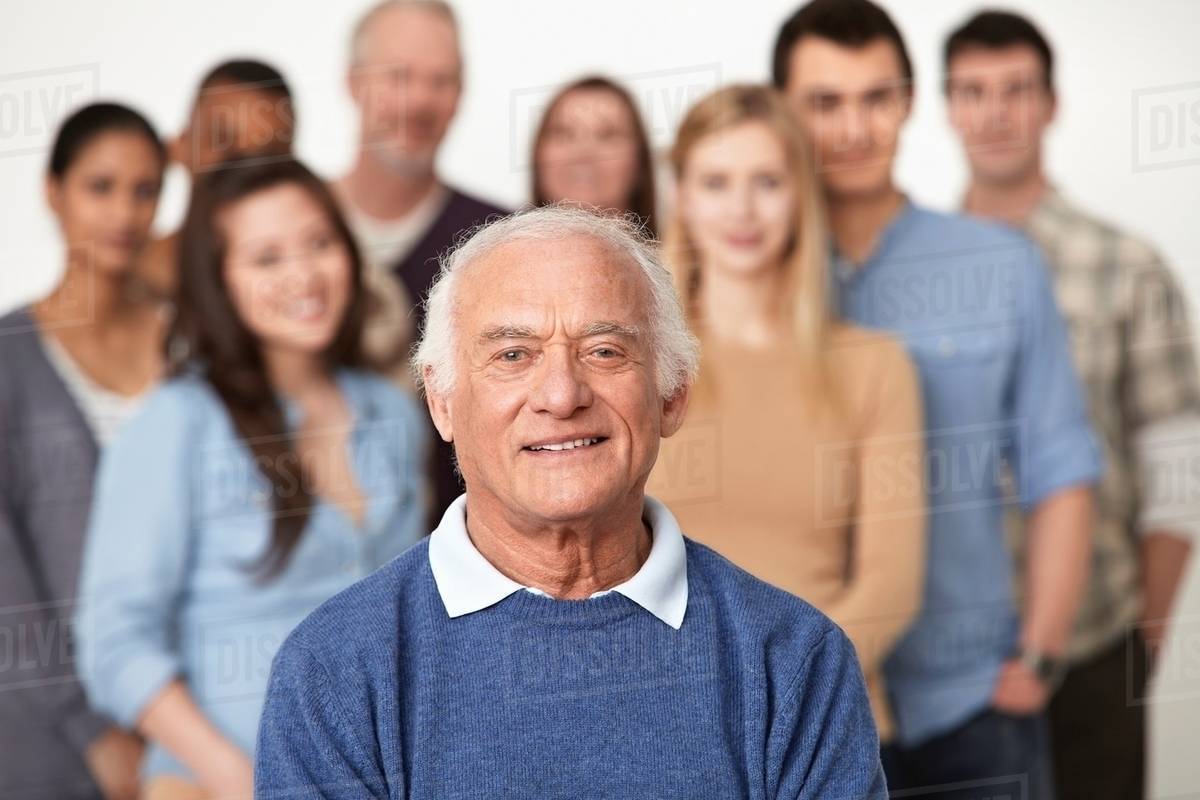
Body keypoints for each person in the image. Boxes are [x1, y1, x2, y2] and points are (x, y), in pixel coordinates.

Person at [254, 205, 888, 799]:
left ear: (671, 396)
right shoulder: (331, 671)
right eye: (513, 354)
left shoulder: (795, 661)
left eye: (604, 351)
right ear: (441, 401)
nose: (560, 394)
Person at [772, 1, 1103, 795]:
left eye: (876, 98)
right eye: (825, 102)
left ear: (911, 102)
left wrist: (1040, 653)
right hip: (801, 705)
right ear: (781, 108)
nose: (854, 127)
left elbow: (1060, 467)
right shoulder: (747, 277)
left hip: (973, 703)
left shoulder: (1000, 265)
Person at [75, 159, 428, 800]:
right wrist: (236, 776)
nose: (303, 275)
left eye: (319, 243)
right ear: (220, 282)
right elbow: (114, 642)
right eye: (266, 258)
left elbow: (409, 613)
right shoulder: (177, 422)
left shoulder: (391, 412)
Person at [944, 11, 1200, 799]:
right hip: (949, 664)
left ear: (1051, 105)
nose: (996, 113)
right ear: (947, 107)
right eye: (974, 92)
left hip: (1094, 649)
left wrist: (1140, 645)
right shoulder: (913, 271)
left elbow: (1176, 476)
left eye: (1016, 90)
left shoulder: (1126, 265)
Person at [651, 83, 925, 743]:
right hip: (662, 723)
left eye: (767, 181)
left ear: (802, 193)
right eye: (716, 182)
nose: (742, 209)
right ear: (682, 195)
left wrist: (776, 697)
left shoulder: (873, 366)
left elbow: (891, 586)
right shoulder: (636, 364)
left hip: (825, 728)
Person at [0, 102, 166, 800]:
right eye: (100, 187)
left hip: (185, 711)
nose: (123, 212)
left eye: (145, 189)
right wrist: (86, 726)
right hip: (44, 731)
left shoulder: (189, 345)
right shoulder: (10, 357)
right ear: (53, 191)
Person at [332, 0, 508, 528]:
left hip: (461, 568)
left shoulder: (497, 242)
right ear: (353, 82)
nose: (418, 101)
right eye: (398, 76)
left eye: (441, 80)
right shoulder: (284, 233)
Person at [134, 59, 296, 303]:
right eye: (222, 141)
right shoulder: (125, 280)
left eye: (265, 156)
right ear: (180, 145)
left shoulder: (309, 288)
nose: (240, 171)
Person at [531, 75, 658, 236]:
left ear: (640, 161)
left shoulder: (676, 258)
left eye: (607, 135)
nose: (582, 152)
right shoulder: (495, 256)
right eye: (564, 133)